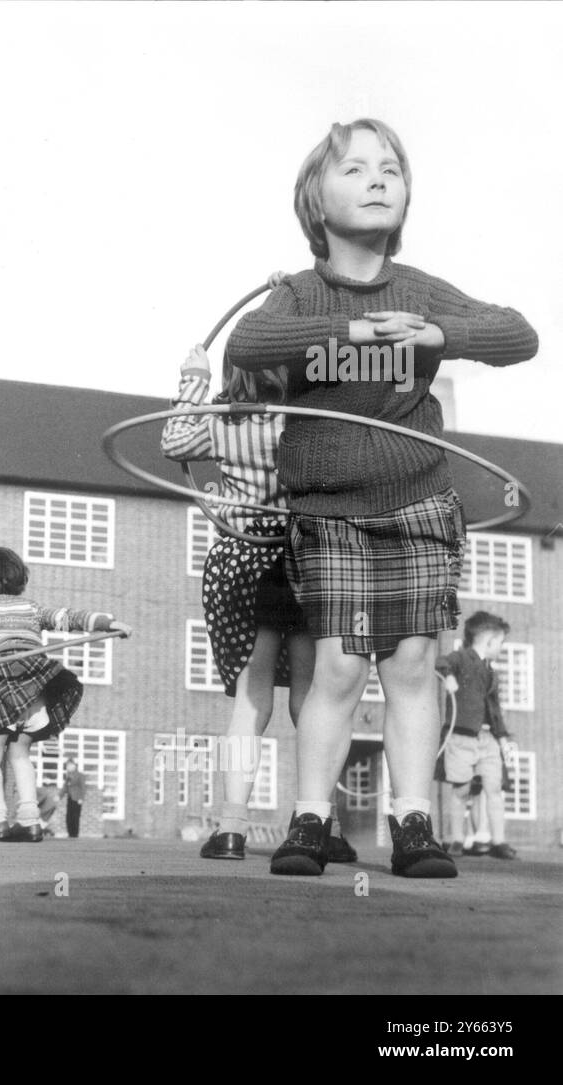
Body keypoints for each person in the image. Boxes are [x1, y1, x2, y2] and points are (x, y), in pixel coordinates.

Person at [225, 118, 537, 877]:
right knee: (333, 665)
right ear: (314, 199)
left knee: (412, 661)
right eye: (355, 168)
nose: (376, 179)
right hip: (328, 506)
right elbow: (246, 347)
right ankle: (309, 816)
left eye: (390, 169)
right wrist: (352, 326)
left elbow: (517, 333)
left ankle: (413, 820)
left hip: (417, 499)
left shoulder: (418, 288)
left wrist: (436, 335)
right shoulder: (298, 294)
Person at [160, 330, 355, 863]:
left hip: (240, 561)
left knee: (251, 699)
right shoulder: (301, 423)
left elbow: (174, 443)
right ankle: (324, 825)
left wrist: (192, 382)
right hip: (298, 560)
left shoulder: (221, 425)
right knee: (311, 698)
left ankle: (230, 829)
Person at [0, 547, 130, 843]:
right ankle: (30, 821)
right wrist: (107, 623)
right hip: (32, 682)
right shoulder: (31, 608)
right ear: (19, 578)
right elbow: (67, 617)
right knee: (20, 754)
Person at [436, 612, 517, 860]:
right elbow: (441, 662)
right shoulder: (461, 658)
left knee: (494, 787)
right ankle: (457, 840)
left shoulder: (491, 673)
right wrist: (449, 677)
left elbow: (495, 709)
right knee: (460, 789)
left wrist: (503, 739)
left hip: (487, 739)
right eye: (501, 643)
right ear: (489, 641)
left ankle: (499, 841)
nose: (502, 648)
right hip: (461, 736)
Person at [59, 758, 86, 838]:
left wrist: (81, 798)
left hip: (77, 799)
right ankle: (70, 834)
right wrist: (59, 796)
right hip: (70, 798)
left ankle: (75, 834)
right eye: (67, 766)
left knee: (75, 817)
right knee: (69, 817)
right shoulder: (68, 776)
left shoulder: (80, 775)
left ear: (74, 765)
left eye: (69, 765)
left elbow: (83, 788)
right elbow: (65, 788)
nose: (68, 767)